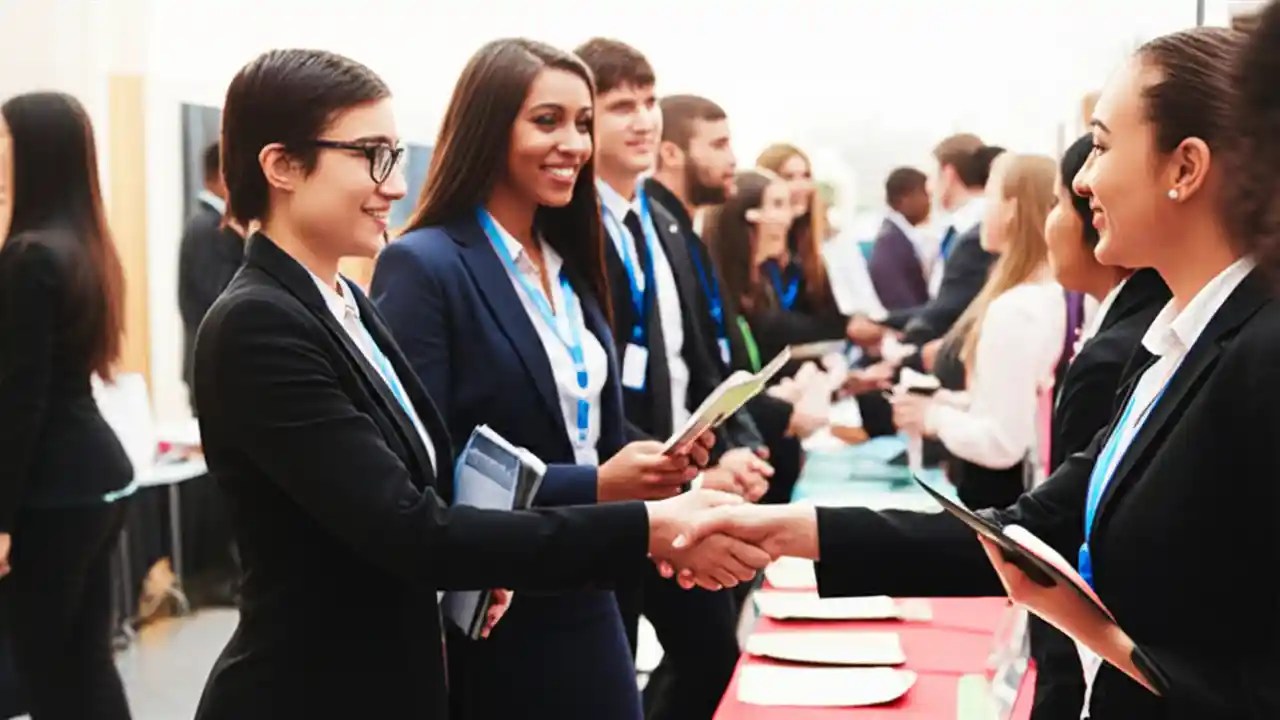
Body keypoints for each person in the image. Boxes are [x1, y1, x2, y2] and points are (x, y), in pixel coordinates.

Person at [680, 25, 1280, 719]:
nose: (1083, 179)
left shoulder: (1261, 352)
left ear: (1185, 169)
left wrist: (1106, 641)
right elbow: (1027, 533)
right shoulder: (1167, 343)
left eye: (1104, 145)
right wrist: (791, 529)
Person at [190, 47, 772, 720]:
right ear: (282, 165)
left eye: (396, 155)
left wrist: (488, 564)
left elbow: (435, 481)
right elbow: (411, 530)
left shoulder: (343, 302)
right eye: (371, 155)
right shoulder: (260, 323)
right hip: (312, 690)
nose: (396, 185)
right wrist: (639, 525)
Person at [370, 38, 705, 720]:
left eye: (582, 123)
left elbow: (582, 423)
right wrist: (597, 483)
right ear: (490, 127)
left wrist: (661, 462)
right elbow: (425, 463)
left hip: (591, 584)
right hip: (496, 599)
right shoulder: (424, 265)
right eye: (547, 121)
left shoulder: (569, 262)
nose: (574, 144)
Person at [567, 46, 772, 719]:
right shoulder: (574, 227)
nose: (642, 120)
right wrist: (680, 478)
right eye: (620, 106)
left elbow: (698, 360)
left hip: (679, 469)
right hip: (622, 485)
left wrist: (728, 446)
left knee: (708, 654)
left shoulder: (658, 225)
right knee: (630, 666)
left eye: (648, 102)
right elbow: (591, 390)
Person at [0, 92, 135, 720]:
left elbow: (19, 403)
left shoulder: (28, 256)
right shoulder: (82, 245)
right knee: (84, 661)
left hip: (51, 490)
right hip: (99, 480)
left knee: (46, 669)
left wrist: (0, 521)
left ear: (32, 152)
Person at [889, 152, 1061, 511]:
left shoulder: (1015, 308)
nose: (984, 211)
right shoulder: (1044, 295)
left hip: (1002, 501)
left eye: (992, 197)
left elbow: (1003, 443)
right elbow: (1019, 407)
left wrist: (932, 417)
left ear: (1012, 208)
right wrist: (950, 403)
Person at [848, 135, 999, 356]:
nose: (929, 188)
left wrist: (884, 326)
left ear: (948, 175)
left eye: (932, 176)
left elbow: (950, 309)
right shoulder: (960, 230)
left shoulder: (976, 234)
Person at [178, 142, 245, 411]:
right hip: (214, 366)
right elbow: (218, 296)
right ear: (222, 176)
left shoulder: (210, 225)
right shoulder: (209, 227)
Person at [869, 167, 932, 311]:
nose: (929, 201)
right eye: (924, 194)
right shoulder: (891, 244)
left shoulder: (899, 238)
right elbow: (899, 303)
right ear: (904, 199)